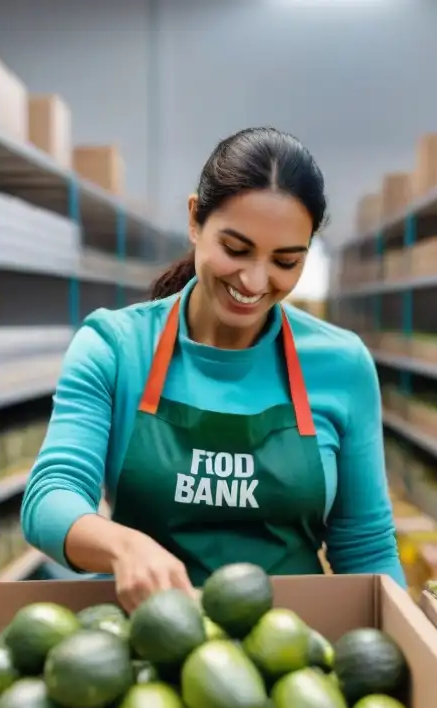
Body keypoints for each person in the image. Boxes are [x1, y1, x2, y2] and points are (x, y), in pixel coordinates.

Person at [21, 126, 405, 611]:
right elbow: (50, 498)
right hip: (151, 643)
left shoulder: (341, 363)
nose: (255, 280)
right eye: (236, 249)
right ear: (195, 221)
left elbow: (366, 544)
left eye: (286, 261)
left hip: (293, 652)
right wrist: (123, 546)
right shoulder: (116, 347)